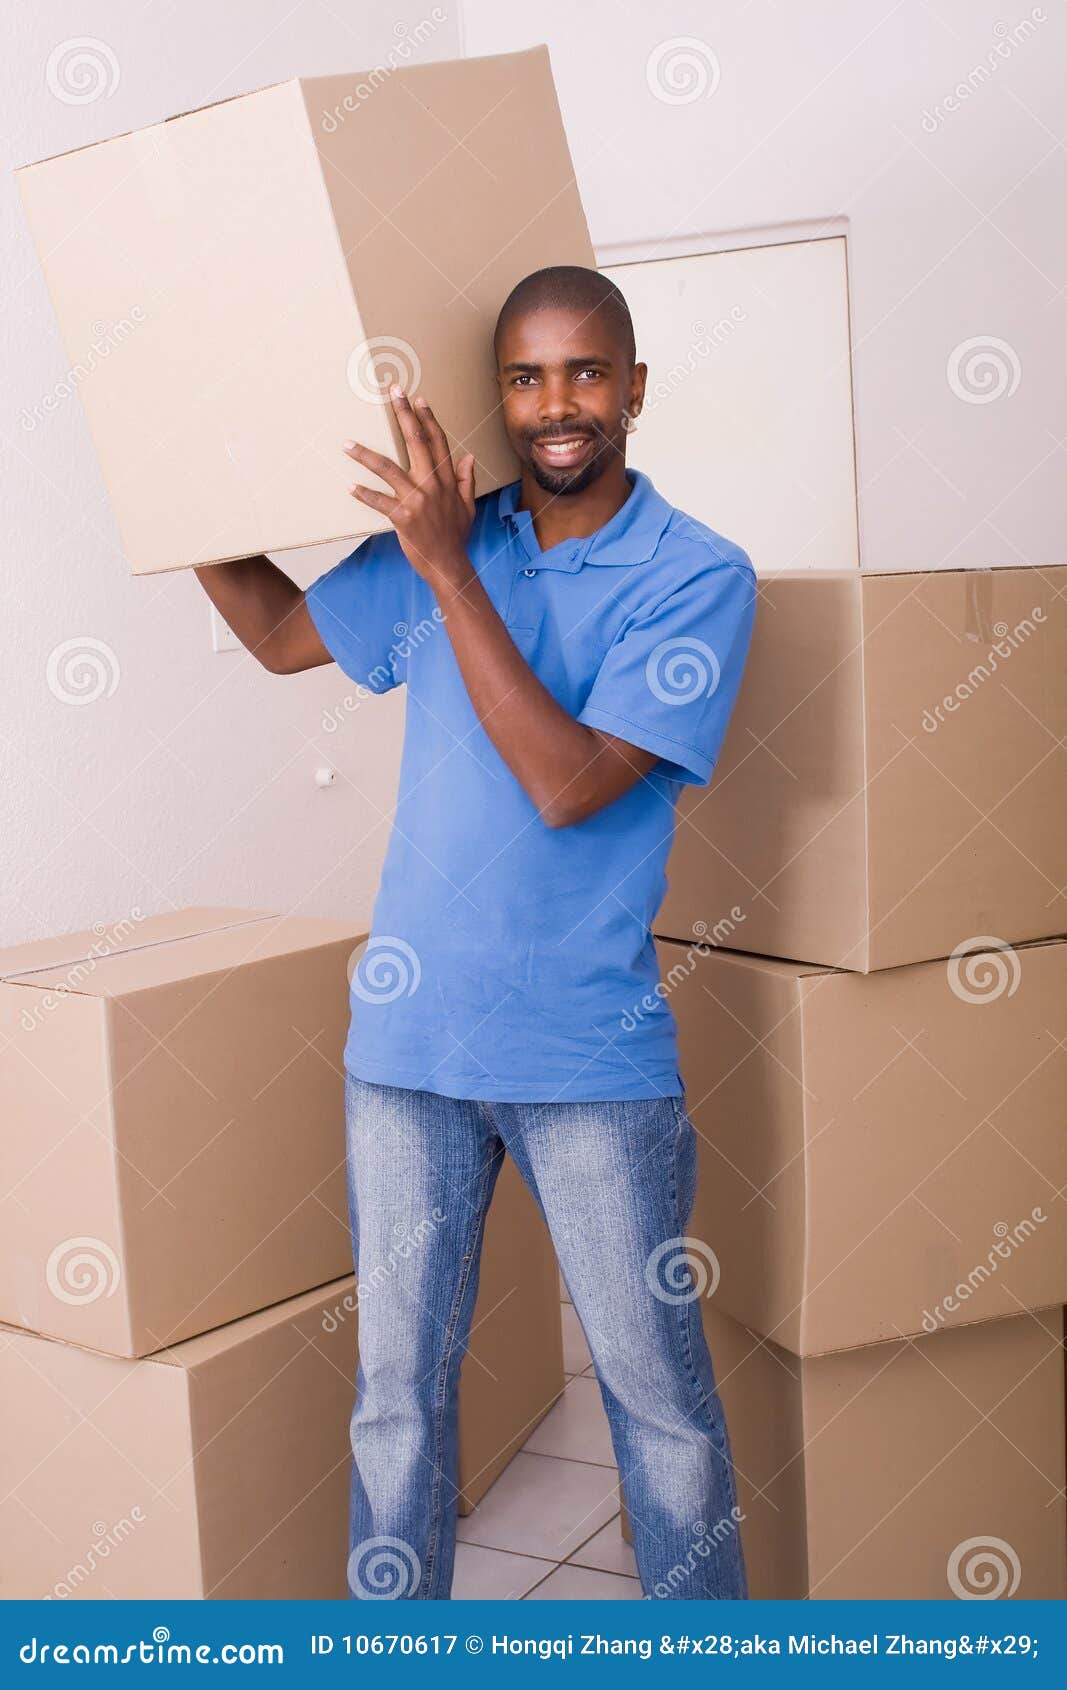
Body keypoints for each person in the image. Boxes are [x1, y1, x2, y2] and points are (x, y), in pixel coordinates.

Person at [195, 266, 756, 1601]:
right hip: (406, 1047)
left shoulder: (699, 577)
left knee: (659, 1415)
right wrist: (177, 490)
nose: (555, 404)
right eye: (524, 375)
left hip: (588, 1060)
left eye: (582, 372)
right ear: (496, 393)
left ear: (632, 385)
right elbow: (278, 633)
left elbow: (568, 784)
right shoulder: (457, 531)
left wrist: (448, 570)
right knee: (396, 1397)